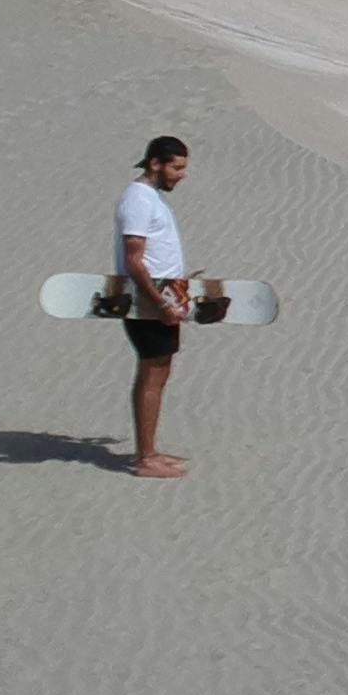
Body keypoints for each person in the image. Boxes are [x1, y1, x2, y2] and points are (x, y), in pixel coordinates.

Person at [115, 135, 201, 478]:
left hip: (163, 297)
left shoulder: (150, 198)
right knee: (152, 373)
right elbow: (134, 261)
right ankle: (145, 458)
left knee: (160, 371)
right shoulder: (138, 199)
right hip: (148, 303)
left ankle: (148, 451)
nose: (181, 175)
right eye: (176, 167)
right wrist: (161, 302)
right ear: (155, 163)